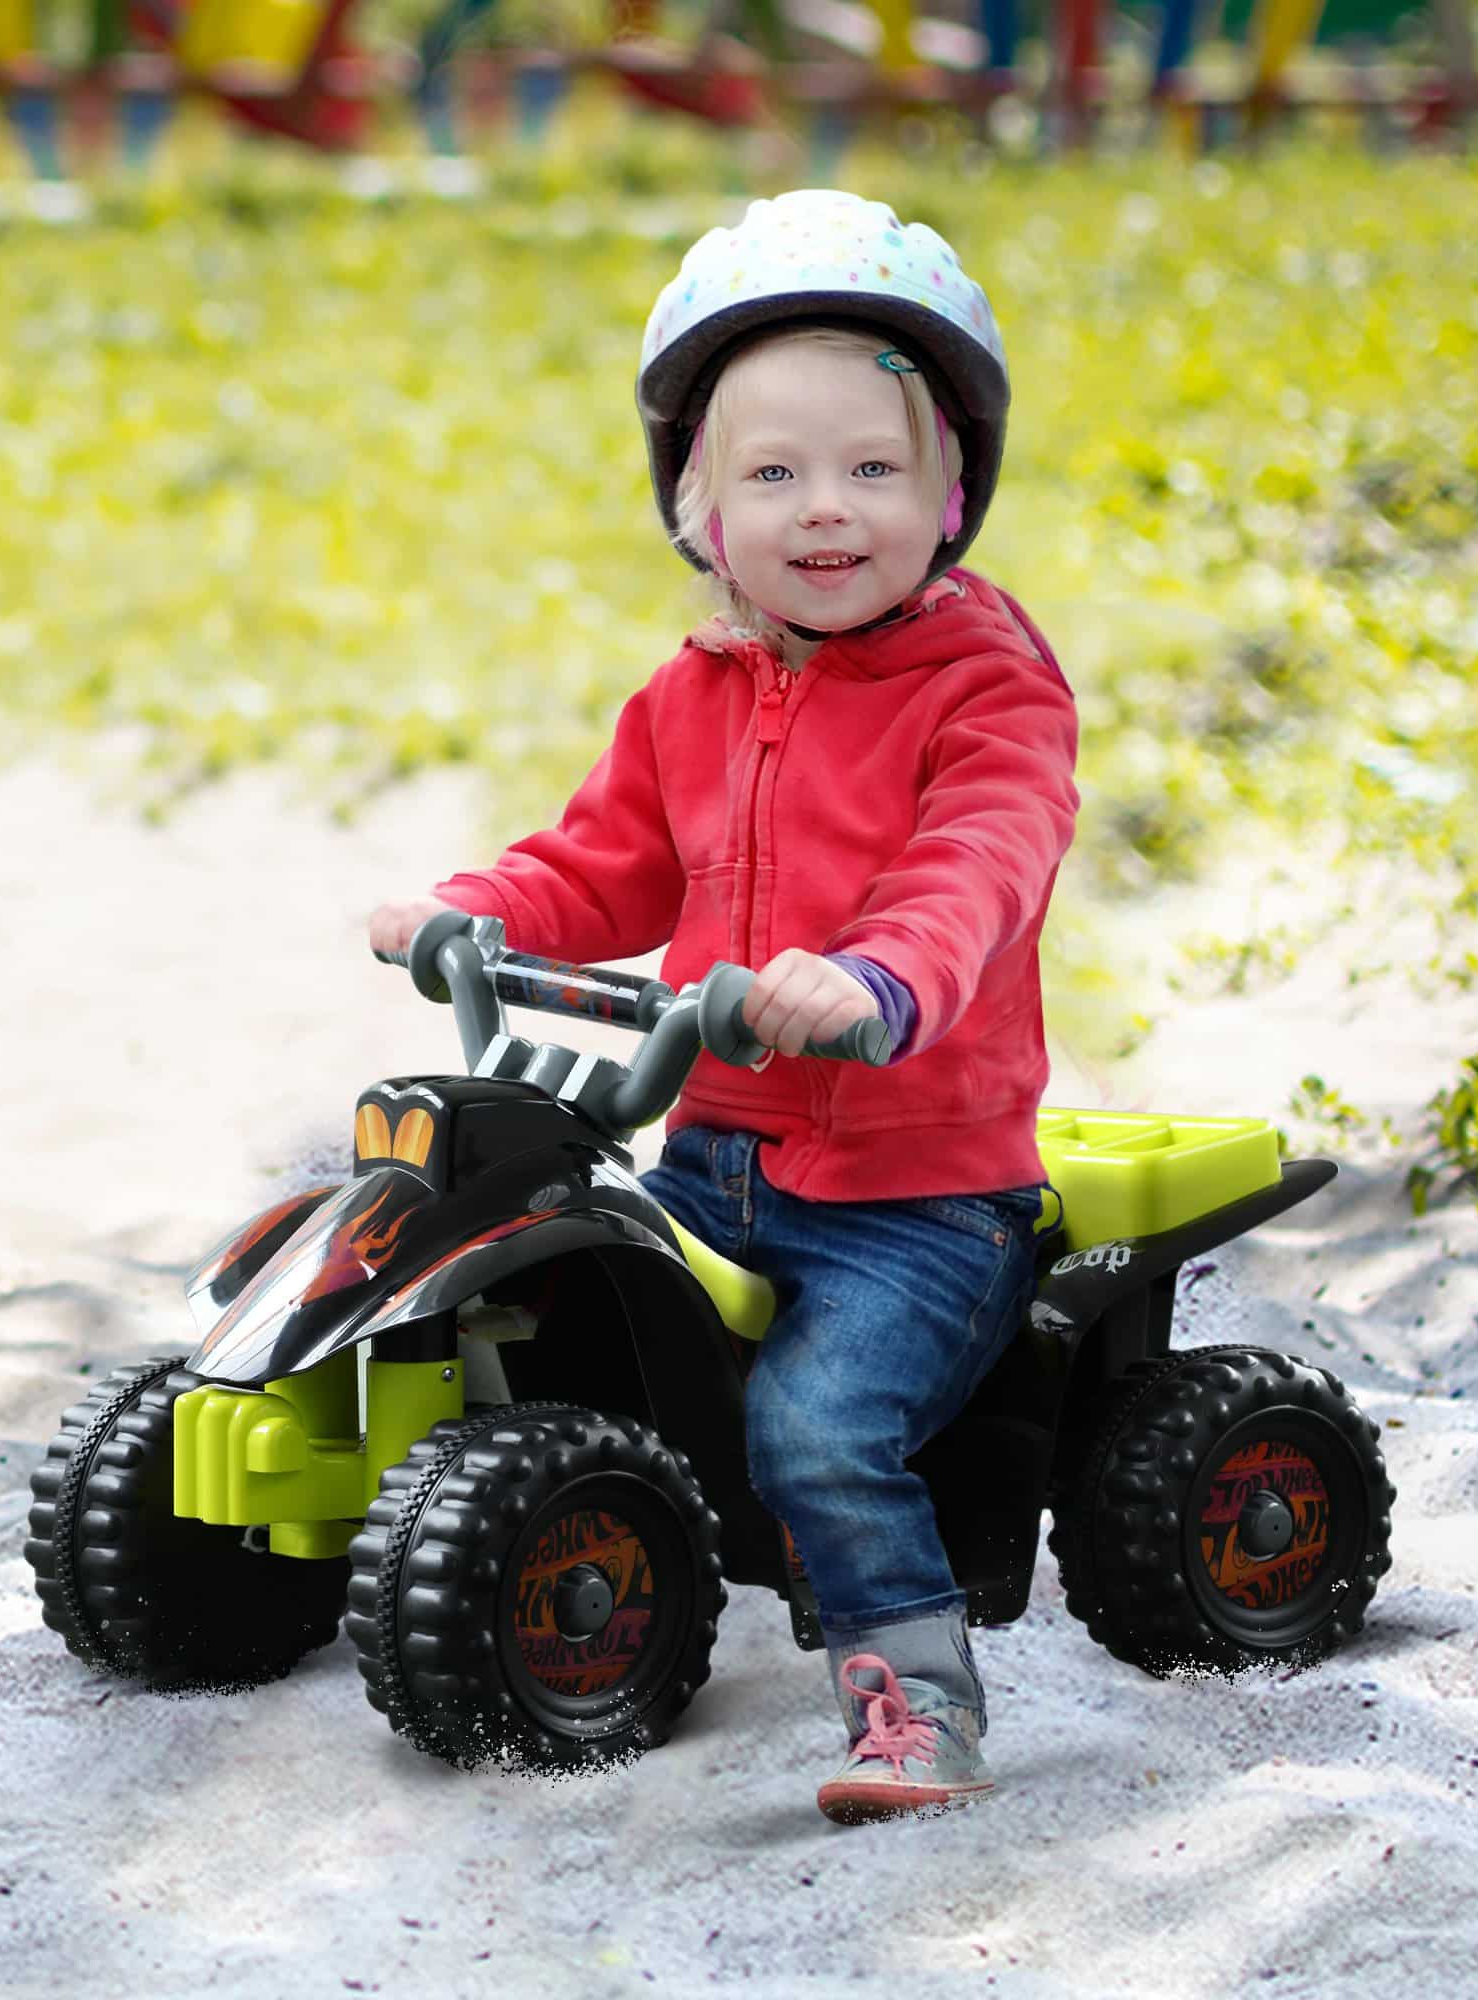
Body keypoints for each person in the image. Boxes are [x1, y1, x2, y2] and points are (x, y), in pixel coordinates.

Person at [368, 188, 1080, 1824]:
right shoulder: (696, 689)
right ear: (696, 502)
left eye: (872, 470)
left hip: (919, 1198)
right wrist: (480, 910)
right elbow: (603, 864)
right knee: (558, 1328)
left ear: (951, 489)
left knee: (817, 1428)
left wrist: (880, 978)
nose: (826, 511)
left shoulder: (990, 689)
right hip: (716, 1158)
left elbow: (985, 860)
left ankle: (919, 1705)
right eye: (774, 472)